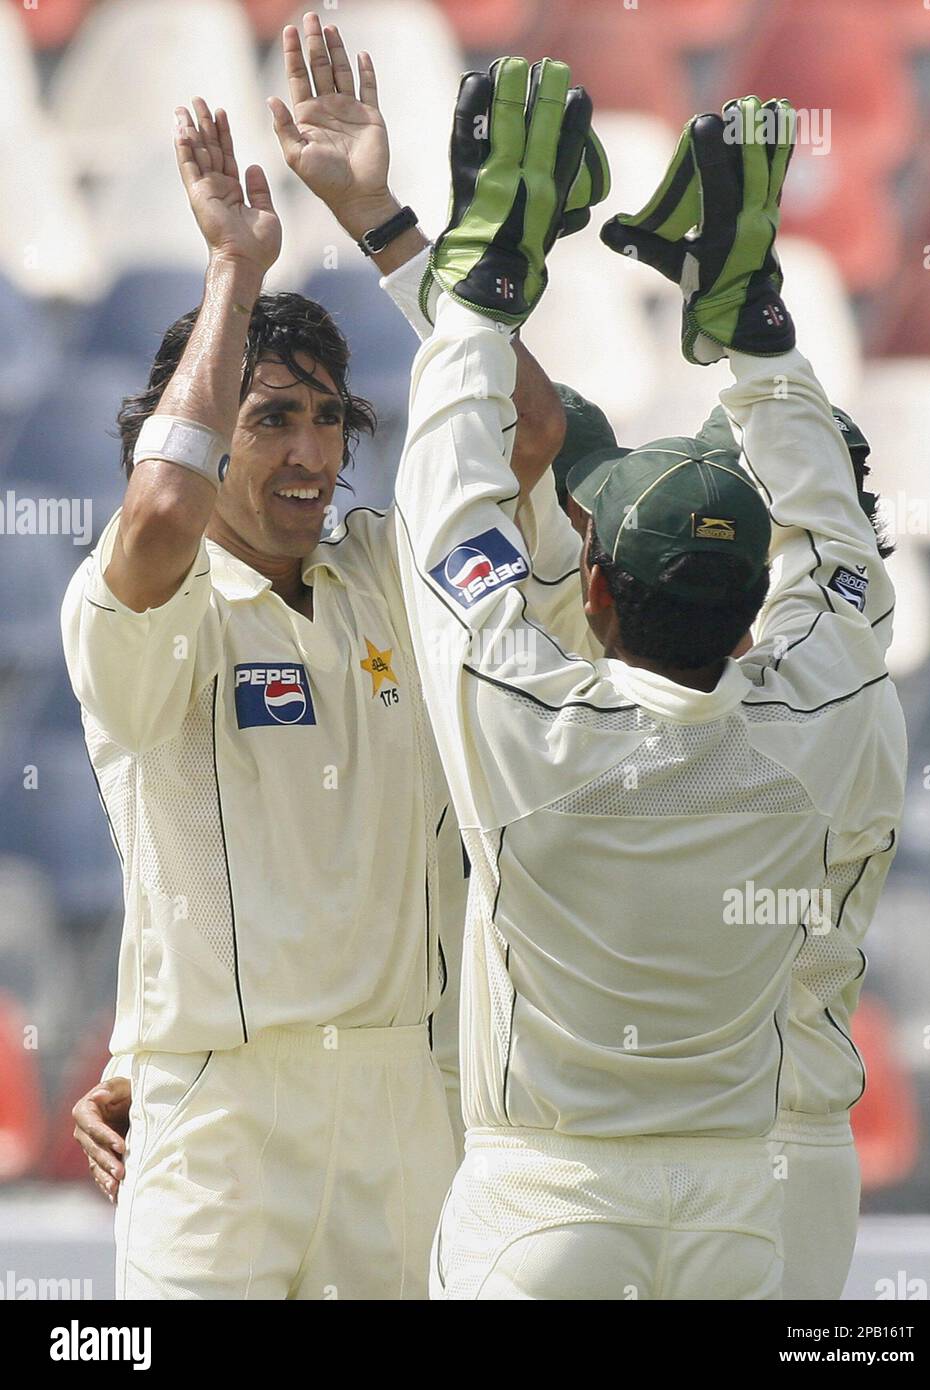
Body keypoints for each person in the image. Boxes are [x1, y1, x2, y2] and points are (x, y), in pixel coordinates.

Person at [62, 20, 580, 1300]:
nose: (310, 455)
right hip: (217, 1125)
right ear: (194, 430)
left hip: (407, 1106)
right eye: (270, 420)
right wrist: (234, 271)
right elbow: (161, 517)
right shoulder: (133, 601)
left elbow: (529, 431)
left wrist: (379, 218)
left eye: (330, 420)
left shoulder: (388, 574)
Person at [391, 73, 907, 1299]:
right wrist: (755, 334)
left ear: (601, 599)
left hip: (547, 1200)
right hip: (738, 1207)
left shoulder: (529, 726)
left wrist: (482, 283)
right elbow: (842, 569)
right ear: (750, 626)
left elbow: (441, 512)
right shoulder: (819, 719)